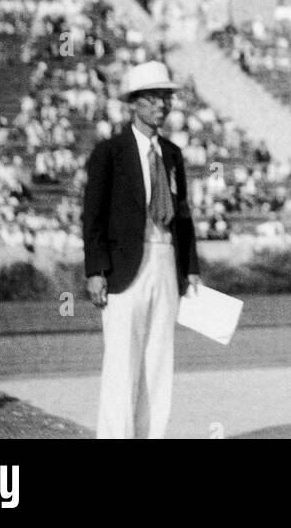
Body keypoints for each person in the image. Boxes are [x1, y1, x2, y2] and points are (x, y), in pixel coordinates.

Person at [82, 60, 201, 439]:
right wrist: (95, 270)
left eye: (166, 98)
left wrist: (190, 267)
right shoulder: (110, 152)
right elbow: (93, 214)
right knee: (121, 361)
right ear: (134, 103)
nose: (162, 105)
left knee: (159, 359)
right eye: (153, 98)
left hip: (165, 259)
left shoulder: (172, 154)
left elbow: (182, 214)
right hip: (124, 265)